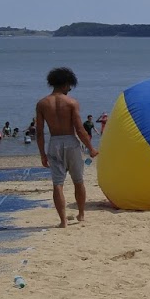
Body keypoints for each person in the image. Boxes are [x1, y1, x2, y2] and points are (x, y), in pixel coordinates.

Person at [35, 66, 99, 227]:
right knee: (78, 180)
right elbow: (80, 129)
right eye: (69, 85)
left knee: (58, 183)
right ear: (65, 84)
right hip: (71, 141)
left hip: (54, 142)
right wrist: (91, 148)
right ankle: (81, 214)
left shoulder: (42, 104)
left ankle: (63, 221)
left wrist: (42, 154)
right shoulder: (71, 102)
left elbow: (39, 132)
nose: (70, 89)